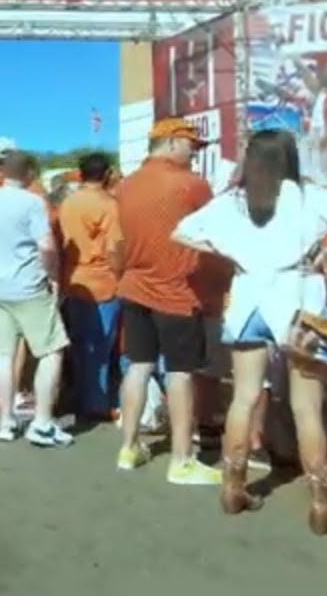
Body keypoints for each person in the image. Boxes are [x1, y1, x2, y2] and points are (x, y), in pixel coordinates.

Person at [174, 129, 327, 532]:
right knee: (307, 408)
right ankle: (321, 506)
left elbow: (179, 231)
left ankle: (234, 486)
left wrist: (233, 250)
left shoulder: (231, 202)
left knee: (244, 398)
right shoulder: (308, 196)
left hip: (249, 298)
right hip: (301, 301)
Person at [115, 117, 219, 485]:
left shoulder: (126, 185)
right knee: (180, 373)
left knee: (138, 366)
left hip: (135, 286)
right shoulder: (191, 184)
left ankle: (128, 447)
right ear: (173, 141)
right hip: (177, 291)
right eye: (193, 144)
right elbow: (218, 228)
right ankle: (182, 460)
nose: (195, 152)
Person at [0, 151, 73, 447]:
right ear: (29, 173)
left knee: (4, 354)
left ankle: (6, 421)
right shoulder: (33, 203)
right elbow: (46, 245)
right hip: (29, 287)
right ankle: (43, 422)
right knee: (51, 351)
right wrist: (54, 276)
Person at [58, 152, 124, 420]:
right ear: (107, 173)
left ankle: (83, 396)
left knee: (81, 343)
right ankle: (95, 402)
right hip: (103, 281)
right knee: (100, 347)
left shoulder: (68, 202)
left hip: (74, 278)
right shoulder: (109, 205)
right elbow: (114, 248)